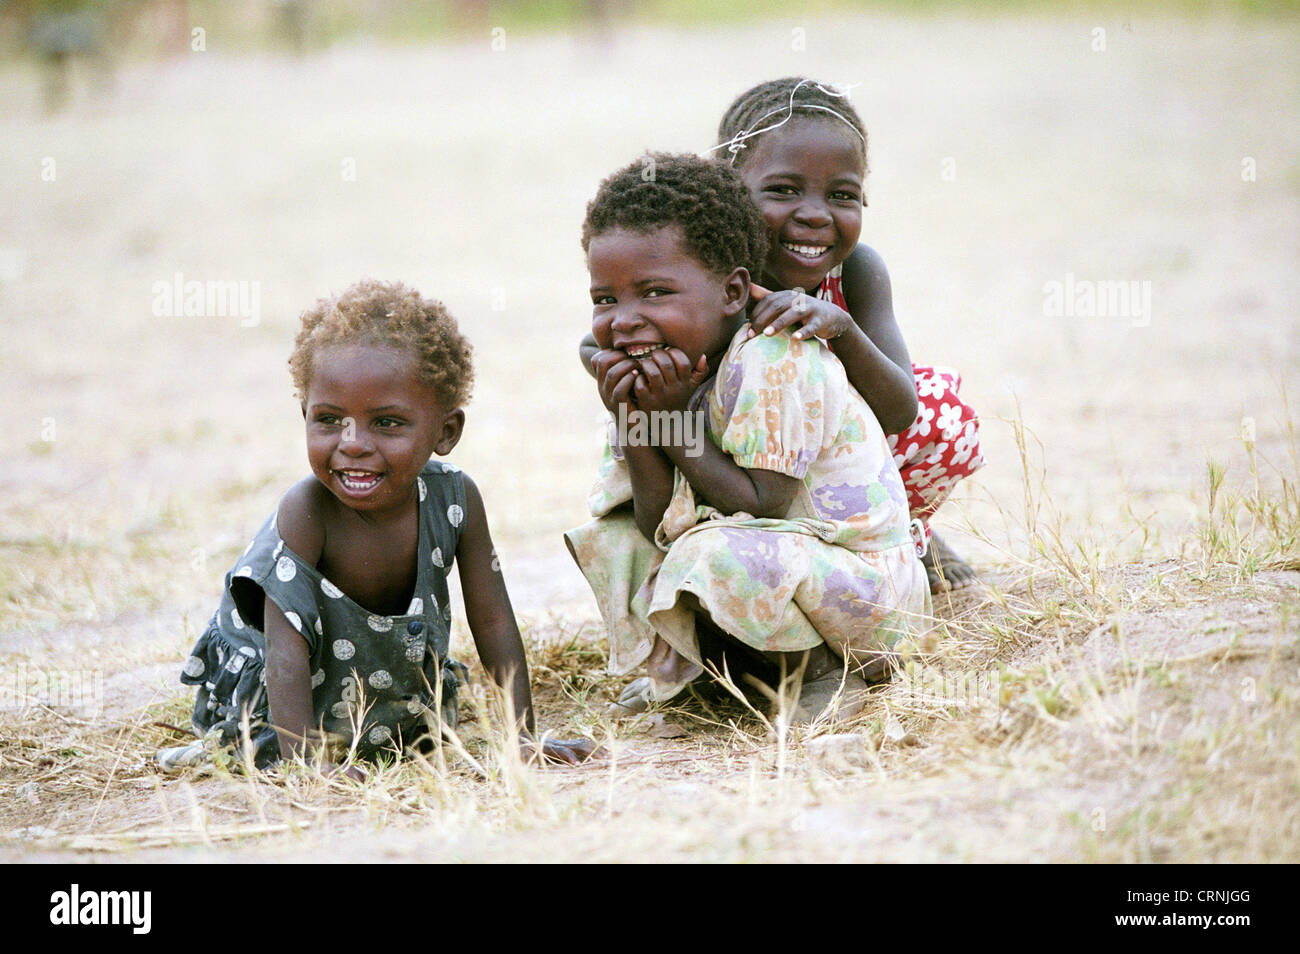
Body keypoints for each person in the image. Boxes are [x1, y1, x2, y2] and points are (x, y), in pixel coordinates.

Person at [160, 279, 596, 775]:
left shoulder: (455, 501)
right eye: (329, 420)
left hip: (390, 706)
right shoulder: (307, 514)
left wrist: (521, 738)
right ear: (305, 415)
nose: (353, 444)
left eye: (387, 423)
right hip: (282, 711)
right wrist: (309, 768)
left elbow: (493, 621)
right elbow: (284, 655)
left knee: (417, 744)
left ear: (445, 432)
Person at [578, 77, 985, 593]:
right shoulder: (700, 271)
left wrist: (842, 330)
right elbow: (595, 341)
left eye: (842, 195)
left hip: (841, 454)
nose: (814, 214)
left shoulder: (856, 272)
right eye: (783, 190)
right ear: (730, 187)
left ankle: (903, 532)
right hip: (721, 445)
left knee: (941, 422)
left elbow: (903, 409)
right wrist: (631, 379)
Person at [566, 154, 931, 724]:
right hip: (791, 570)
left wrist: (673, 425)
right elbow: (654, 523)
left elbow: (761, 505)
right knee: (616, 538)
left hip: (866, 601)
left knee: (713, 552)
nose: (625, 320)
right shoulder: (661, 369)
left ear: (733, 291)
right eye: (606, 300)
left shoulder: (772, 357)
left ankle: (825, 679)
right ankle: (711, 677)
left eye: (655, 292)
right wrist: (635, 416)